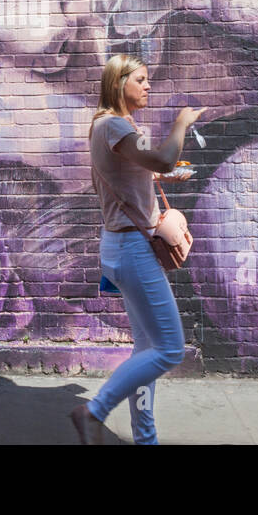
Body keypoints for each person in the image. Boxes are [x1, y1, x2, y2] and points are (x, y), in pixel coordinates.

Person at [71, 54, 205, 445]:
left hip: (125, 243)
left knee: (146, 351)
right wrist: (181, 123)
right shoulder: (113, 125)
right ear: (119, 84)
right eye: (141, 80)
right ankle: (93, 411)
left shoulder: (122, 126)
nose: (149, 86)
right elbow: (160, 156)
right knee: (169, 350)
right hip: (132, 246)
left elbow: (150, 165)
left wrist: (167, 172)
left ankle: (145, 439)